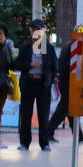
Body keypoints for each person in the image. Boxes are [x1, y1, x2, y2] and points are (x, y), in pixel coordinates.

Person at [14, 18, 59, 151]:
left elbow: (54, 67)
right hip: (28, 83)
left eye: (39, 29)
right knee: (26, 114)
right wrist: (30, 65)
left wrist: (51, 78)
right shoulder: (26, 47)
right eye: (34, 29)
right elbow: (17, 64)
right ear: (31, 30)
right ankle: (24, 143)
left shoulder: (48, 48)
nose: (36, 32)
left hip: (42, 85)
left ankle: (44, 143)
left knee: (43, 114)